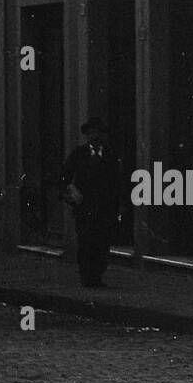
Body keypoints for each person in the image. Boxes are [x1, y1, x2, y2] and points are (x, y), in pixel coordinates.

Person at [61, 117, 122, 288]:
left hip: (104, 209)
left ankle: (97, 275)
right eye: (91, 134)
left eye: (97, 134)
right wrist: (72, 193)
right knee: (86, 242)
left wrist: (117, 207)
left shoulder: (110, 155)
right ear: (87, 136)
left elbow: (117, 183)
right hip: (84, 208)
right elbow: (64, 177)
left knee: (102, 244)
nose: (94, 137)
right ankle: (87, 276)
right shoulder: (79, 154)